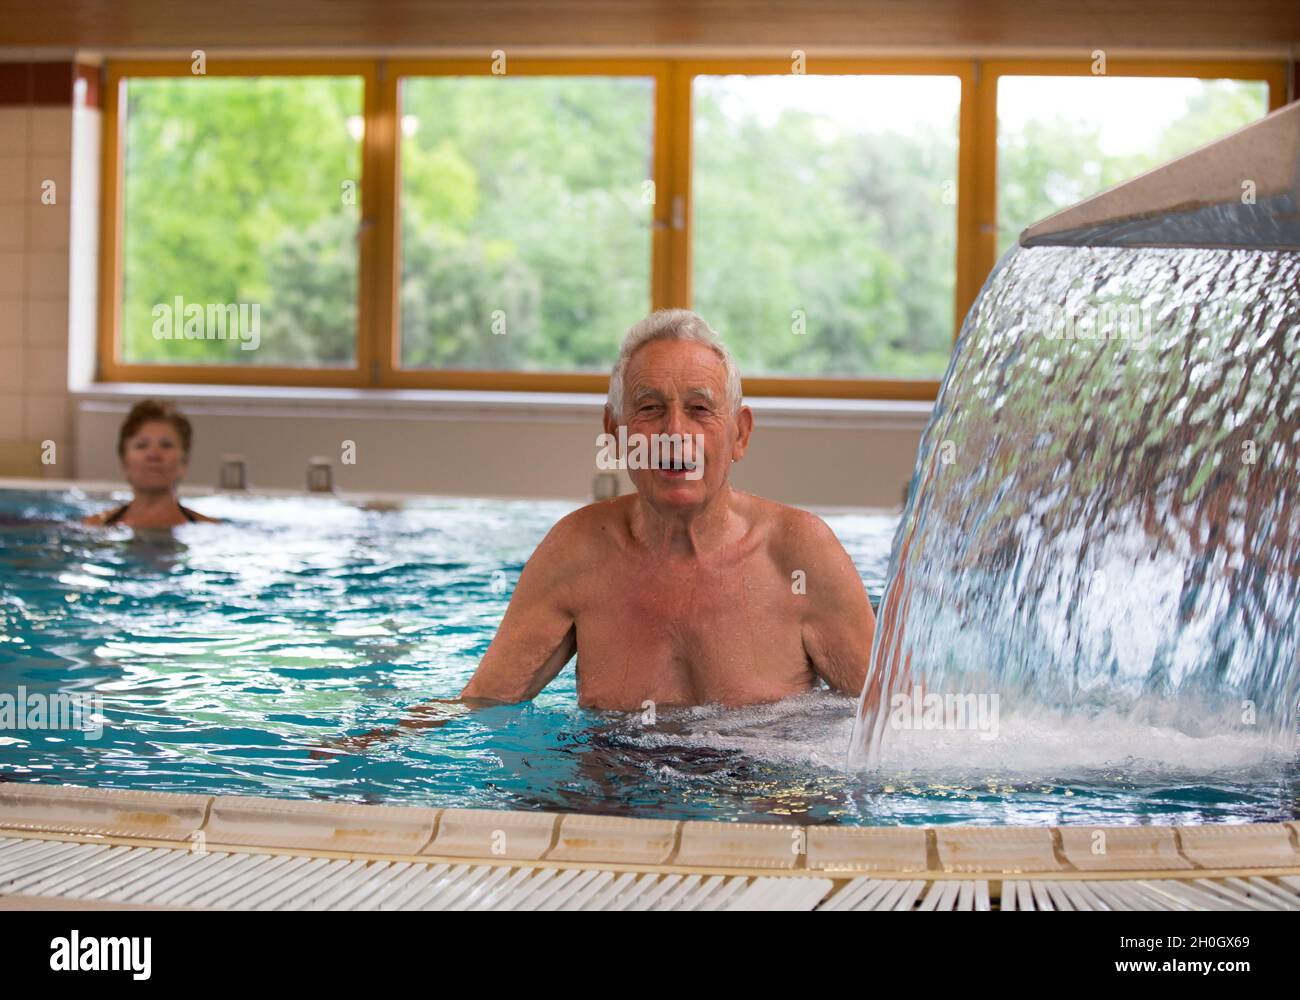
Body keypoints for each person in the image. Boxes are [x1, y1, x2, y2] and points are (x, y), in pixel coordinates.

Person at [326, 310, 876, 753]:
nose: (674, 434)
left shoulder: (800, 553)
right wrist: (375, 745)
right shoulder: (579, 552)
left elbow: (894, 724)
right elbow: (484, 703)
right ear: (615, 434)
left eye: (700, 409)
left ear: (740, 434)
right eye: (650, 409)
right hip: (615, 792)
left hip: (764, 801)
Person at [84, 400, 219, 529]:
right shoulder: (93, 527)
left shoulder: (211, 529)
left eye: (166, 445)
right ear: (124, 462)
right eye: (142, 446)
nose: (154, 455)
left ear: (184, 462)